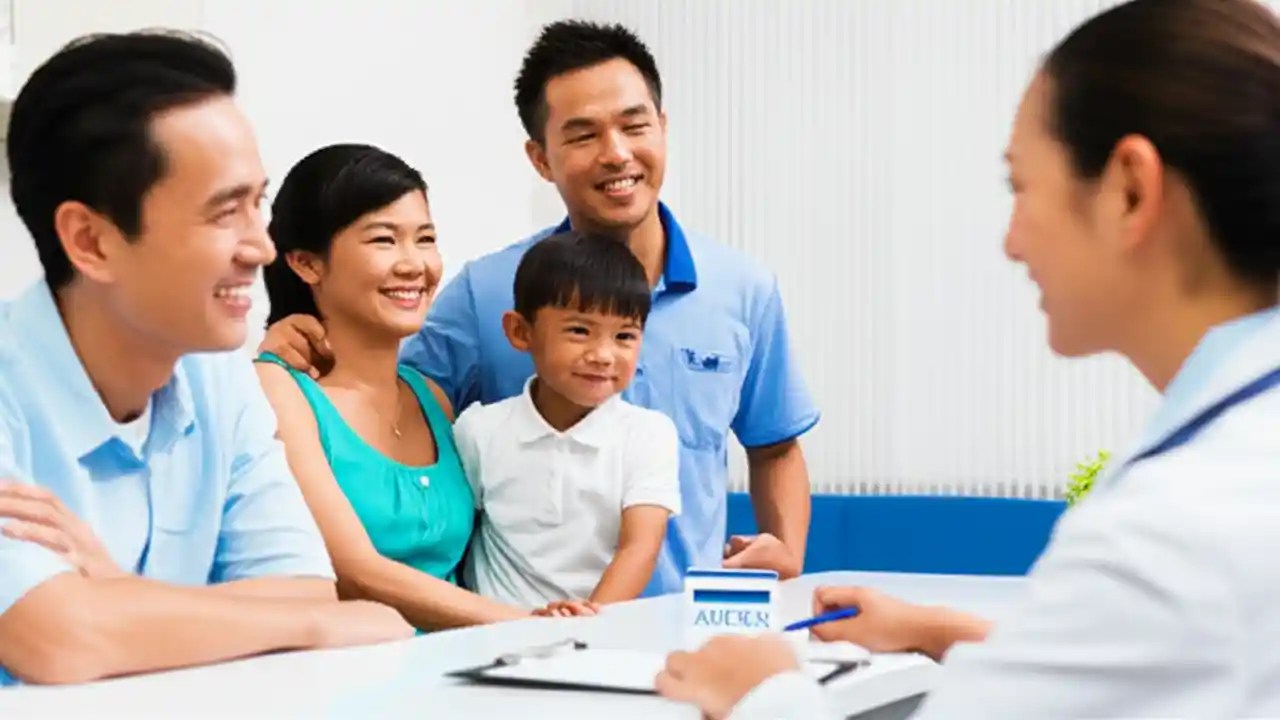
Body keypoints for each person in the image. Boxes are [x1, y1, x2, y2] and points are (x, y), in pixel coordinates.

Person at [655, 0, 1280, 717]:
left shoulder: (1170, 532)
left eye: (1021, 187)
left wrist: (760, 689)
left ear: (1130, 191)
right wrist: (935, 628)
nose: (1011, 241)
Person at [260, 20, 820, 597]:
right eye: (583, 136)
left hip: (684, 627)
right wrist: (292, 346)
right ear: (540, 158)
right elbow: (381, 403)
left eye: (635, 125)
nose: (617, 153)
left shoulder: (743, 288)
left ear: (663, 127)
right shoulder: (487, 292)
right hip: (520, 649)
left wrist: (787, 546)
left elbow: (774, 444)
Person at [0, 32, 413, 686]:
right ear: (91, 241)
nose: (263, 249)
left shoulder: (217, 375)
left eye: (259, 204)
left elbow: (309, 595)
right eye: (225, 212)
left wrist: (112, 592)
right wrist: (91, 614)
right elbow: (55, 641)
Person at [255, 144, 572, 628]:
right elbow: (357, 574)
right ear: (306, 263)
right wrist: (526, 628)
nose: (413, 264)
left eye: (424, 239)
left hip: (469, 677)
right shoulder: (279, 391)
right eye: (384, 240)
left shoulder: (433, 397)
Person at [457, 231, 681, 609]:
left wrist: (587, 623)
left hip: (598, 636)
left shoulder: (648, 434)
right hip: (493, 637)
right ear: (520, 332)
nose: (603, 355)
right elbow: (455, 543)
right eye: (580, 331)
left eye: (624, 336)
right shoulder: (479, 430)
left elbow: (640, 546)